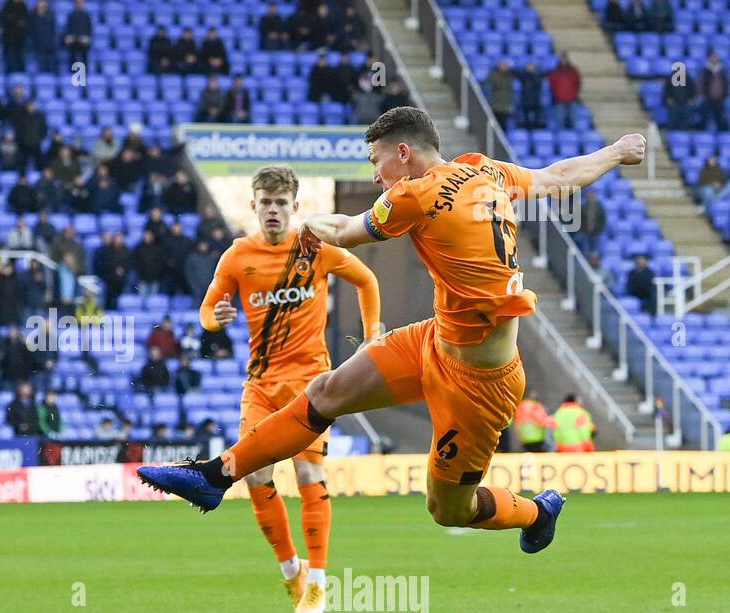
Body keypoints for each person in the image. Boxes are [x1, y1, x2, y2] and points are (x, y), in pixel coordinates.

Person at [139, 106, 648, 560]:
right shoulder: (483, 170)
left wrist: (301, 225)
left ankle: (537, 514)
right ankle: (216, 475)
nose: (376, 176)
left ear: (402, 154)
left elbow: (343, 232)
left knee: (448, 509)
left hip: (479, 384)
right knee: (327, 391)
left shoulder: (415, 195)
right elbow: (557, 176)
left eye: (375, 162)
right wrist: (617, 151)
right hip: (433, 341)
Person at [194, 165, 381, 613]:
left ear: (295, 206)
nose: (273, 210)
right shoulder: (238, 257)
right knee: (254, 478)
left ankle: (317, 581)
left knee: (307, 473)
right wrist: (217, 317)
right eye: (265, 202)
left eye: (281, 202)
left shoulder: (314, 249)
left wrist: (373, 332)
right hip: (260, 385)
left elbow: (367, 281)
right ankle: (291, 570)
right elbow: (206, 312)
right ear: (253, 206)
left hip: (310, 383)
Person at [547, 53, 580, 131]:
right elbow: (552, 85)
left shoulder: (573, 71)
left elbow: (577, 83)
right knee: (560, 122)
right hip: (559, 99)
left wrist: (574, 94)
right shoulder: (555, 72)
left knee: (573, 120)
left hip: (571, 98)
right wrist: (556, 95)